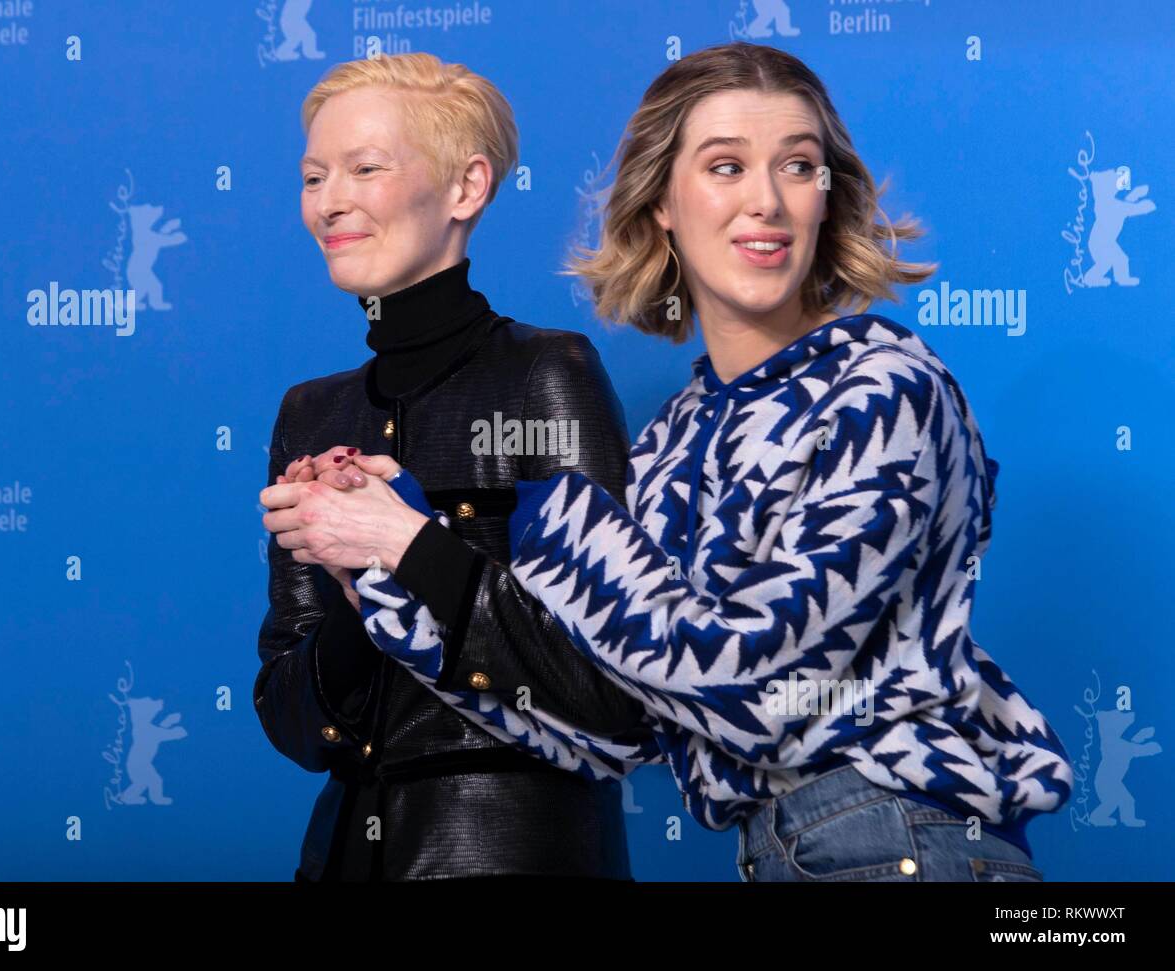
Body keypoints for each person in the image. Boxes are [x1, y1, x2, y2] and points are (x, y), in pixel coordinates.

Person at [295, 42, 1075, 882]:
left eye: (799, 166)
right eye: (726, 167)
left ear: (828, 196)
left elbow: (757, 688)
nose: (766, 202)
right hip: (783, 851)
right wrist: (382, 568)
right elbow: (617, 725)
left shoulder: (885, 389)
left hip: (900, 841)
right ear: (663, 199)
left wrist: (516, 530)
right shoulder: (675, 439)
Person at [254, 51, 656, 882]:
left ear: (467, 188)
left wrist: (406, 542)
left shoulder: (549, 375)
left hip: (516, 853)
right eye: (313, 176)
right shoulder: (311, 415)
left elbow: (612, 695)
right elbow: (295, 723)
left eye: (366, 168)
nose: (331, 202)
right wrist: (358, 585)